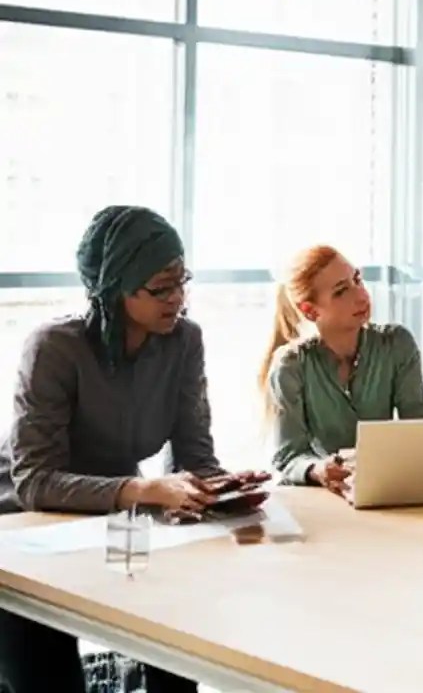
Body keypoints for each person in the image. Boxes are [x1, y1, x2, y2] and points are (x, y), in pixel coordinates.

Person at [0, 205, 270, 693]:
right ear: (113, 287)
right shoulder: (54, 347)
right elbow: (35, 481)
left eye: (182, 280)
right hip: (21, 523)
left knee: (178, 624)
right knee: (46, 675)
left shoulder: (184, 340)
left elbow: (194, 454)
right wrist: (145, 489)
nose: (178, 299)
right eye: (160, 288)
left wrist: (220, 487)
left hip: (116, 510)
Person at [261, 245, 423, 496]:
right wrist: (318, 469)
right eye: (341, 291)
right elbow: (288, 456)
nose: (361, 296)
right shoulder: (290, 366)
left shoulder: (397, 344)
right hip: (324, 498)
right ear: (310, 310)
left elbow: (418, 431)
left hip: (388, 488)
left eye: (357, 280)